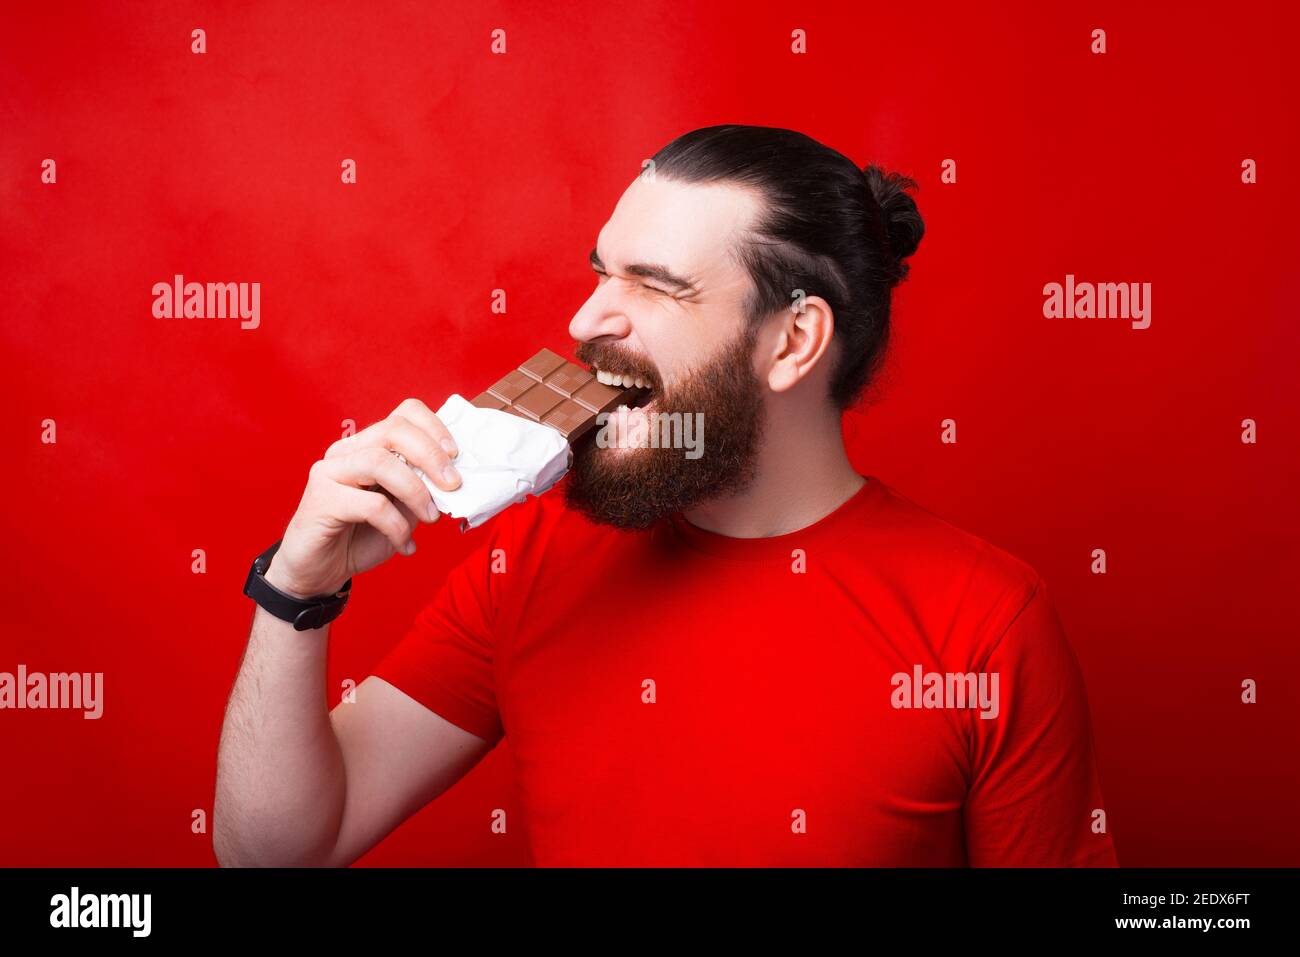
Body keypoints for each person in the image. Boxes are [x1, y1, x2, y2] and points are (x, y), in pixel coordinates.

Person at [213, 124, 1118, 867]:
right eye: (603, 270)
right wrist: (298, 584)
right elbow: (279, 853)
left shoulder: (985, 625)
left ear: (793, 341)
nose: (585, 321)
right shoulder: (531, 563)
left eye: (655, 286)